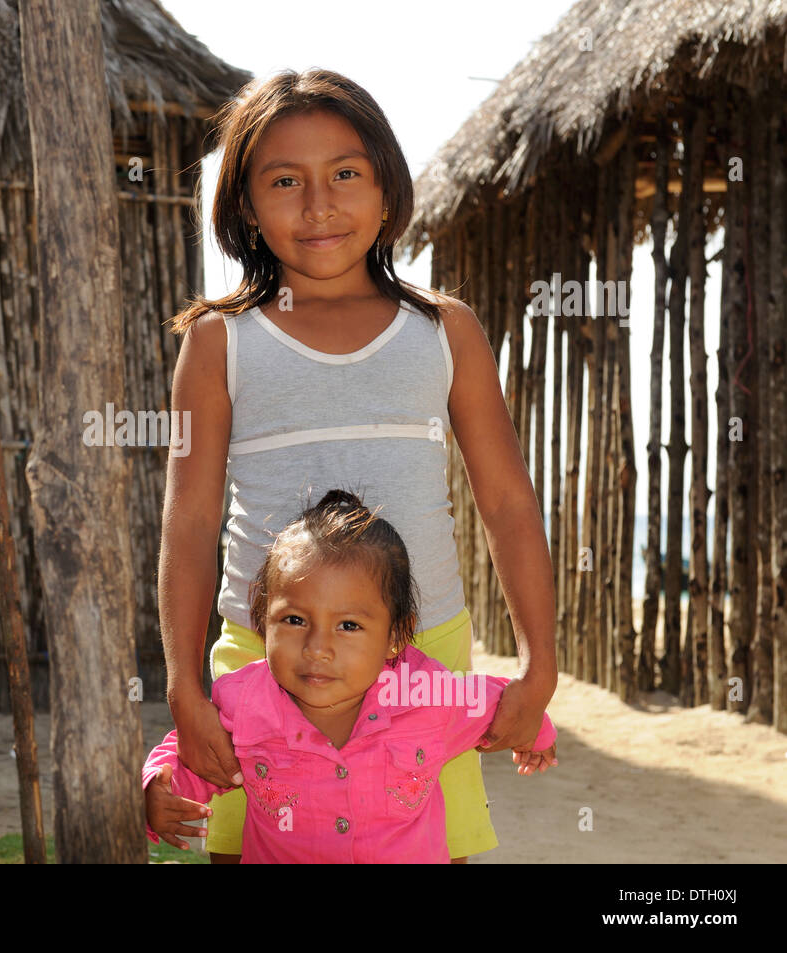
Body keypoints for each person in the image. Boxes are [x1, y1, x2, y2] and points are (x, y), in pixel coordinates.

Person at [157, 68, 558, 863]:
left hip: (423, 651)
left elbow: (509, 502)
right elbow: (191, 521)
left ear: (386, 187)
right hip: (268, 653)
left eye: (345, 173)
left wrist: (540, 661)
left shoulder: (444, 330)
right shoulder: (218, 343)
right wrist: (183, 683)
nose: (319, 205)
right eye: (284, 181)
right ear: (243, 206)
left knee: (431, 848)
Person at [145, 490, 557, 863]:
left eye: (348, 626)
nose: (317, 647)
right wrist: (157, 792)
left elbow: (502, 704)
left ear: (396, 636)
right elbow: (189, 755)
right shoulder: (242, 704)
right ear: (261, 623)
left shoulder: (428, 694)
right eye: (293, 619)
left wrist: (536, 733)